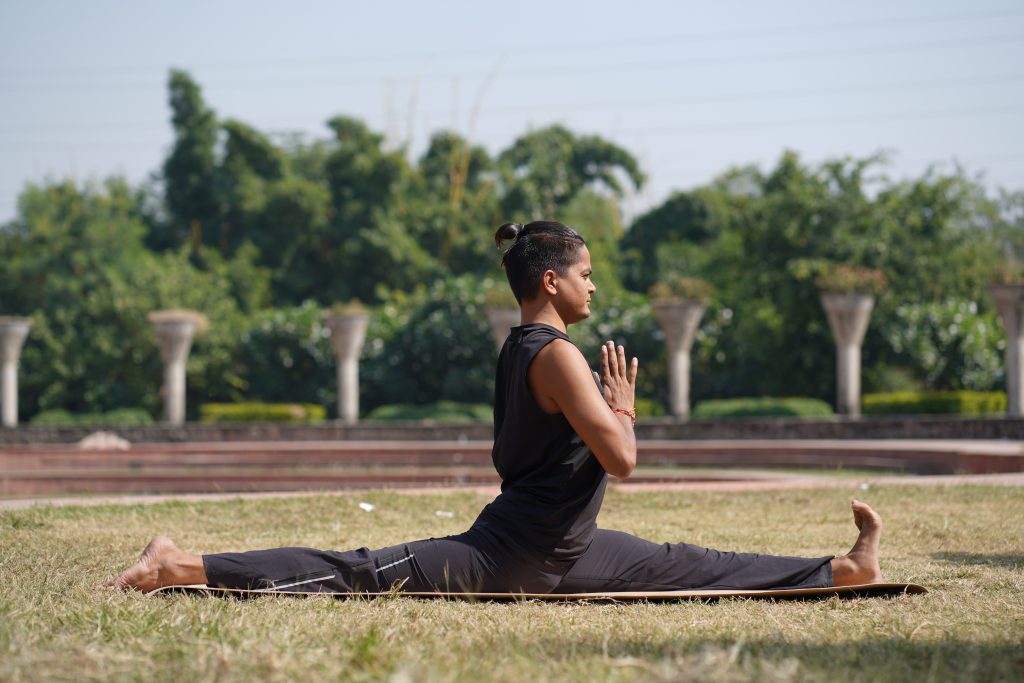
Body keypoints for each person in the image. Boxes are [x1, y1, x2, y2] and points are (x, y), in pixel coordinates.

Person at [106, 220, 882, 595]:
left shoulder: (519, 348)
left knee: (699, 564)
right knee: (360, 571)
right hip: (509, 554)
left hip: (568, 551)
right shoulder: (555, 355)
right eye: (584, 273)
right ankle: (175, 565)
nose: (592, 285)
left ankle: (844, 569)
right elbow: (622, 460)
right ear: (550, 281)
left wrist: (613, 410)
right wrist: (626, 409)